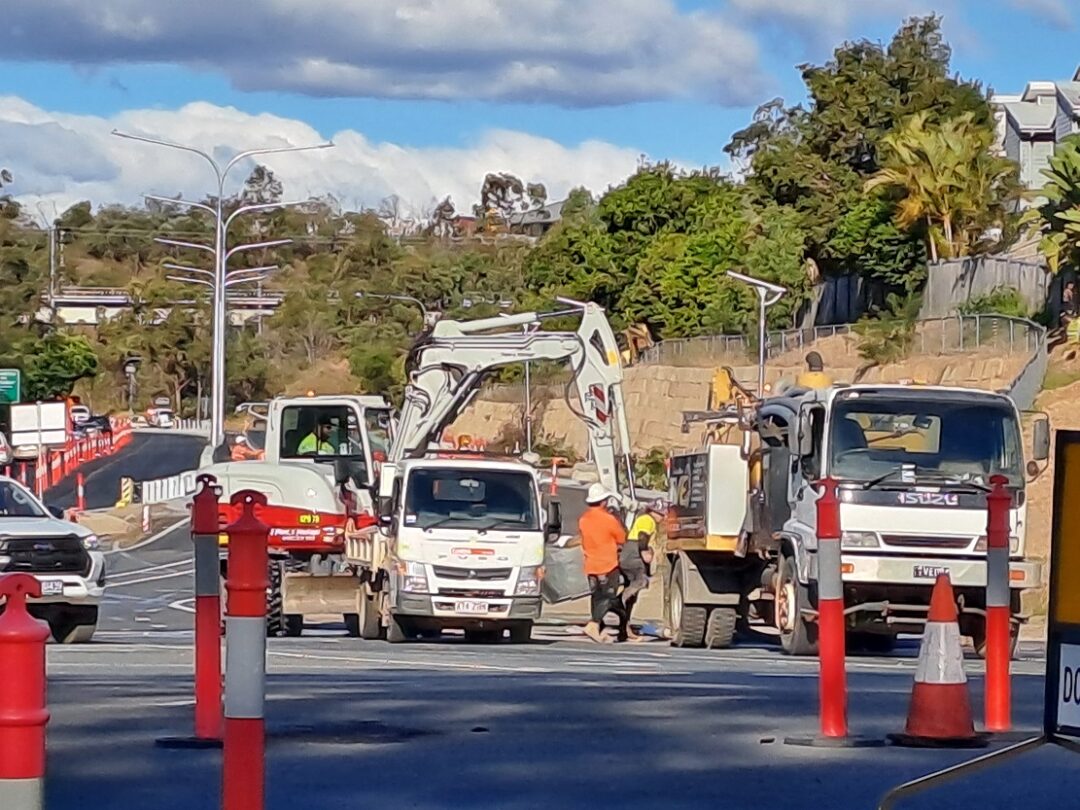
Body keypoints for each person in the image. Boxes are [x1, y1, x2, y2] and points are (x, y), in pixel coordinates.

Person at [578, 482, 626, 644]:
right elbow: (621, 538)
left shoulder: (583, 520)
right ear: (604, 501)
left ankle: (597, 626)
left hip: (591, 565)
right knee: (609, 596)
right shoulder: (609, 519)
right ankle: (593, 624)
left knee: (596, 596)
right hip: (608, 564)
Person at [618, 499, 665, 642]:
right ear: (653, 511)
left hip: (630, 554)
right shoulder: (647, 520)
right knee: (640, 582)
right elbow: (642, 536)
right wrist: (645, 552)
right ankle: (617, 602)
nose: (662, 517)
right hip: (634, 555)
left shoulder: (645, 519)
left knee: (633, 595)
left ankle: (625, 628)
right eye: (660, 513)